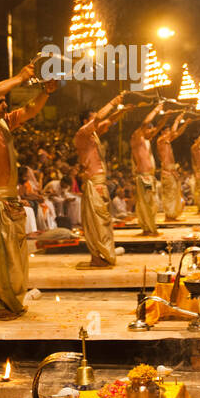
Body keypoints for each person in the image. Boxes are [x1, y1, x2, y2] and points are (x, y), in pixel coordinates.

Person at [0, 62, 55, 316]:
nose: (5, 105)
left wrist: (45, 92)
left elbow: (29, 110)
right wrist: (18, 77)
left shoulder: (2, 123)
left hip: (8, 201)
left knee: (14, 256)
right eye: (1, 102)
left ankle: (11, 299)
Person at [73, 92, 127, 268]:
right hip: (94, 182)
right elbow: (100, 119)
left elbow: (109, 121)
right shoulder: (82, 134)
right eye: (93, 118)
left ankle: (101, 255)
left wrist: (122, 110)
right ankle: (97, 256)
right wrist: (113, 101)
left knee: (103, 222)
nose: (96, 120)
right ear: (85, 121)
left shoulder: (93, 135)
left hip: (99, 182)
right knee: (97, 223)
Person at [128, 102, 166, 237]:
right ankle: (148, 228)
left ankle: (149, 227)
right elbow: (146, 122)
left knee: (152, 204)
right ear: (144, 129)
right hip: (143, 176)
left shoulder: (146, 140)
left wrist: (166, 117)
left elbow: (156, 128)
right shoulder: (137, 137)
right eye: (150, 129)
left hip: (150, 176)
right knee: (146, 204)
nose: (152, 132)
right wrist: (156, 109)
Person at [156, 112, 189, 222]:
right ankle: (169, 216)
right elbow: (175, 132)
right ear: (163, 132)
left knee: (174, 194)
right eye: (168, 130)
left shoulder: (167, 141)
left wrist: (185, 124)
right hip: (167, 172)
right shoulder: (160, 140)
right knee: (169, 194)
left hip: (172, 171)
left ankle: (172, 215)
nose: (170, 132)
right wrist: (177, 120)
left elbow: (177, 133)